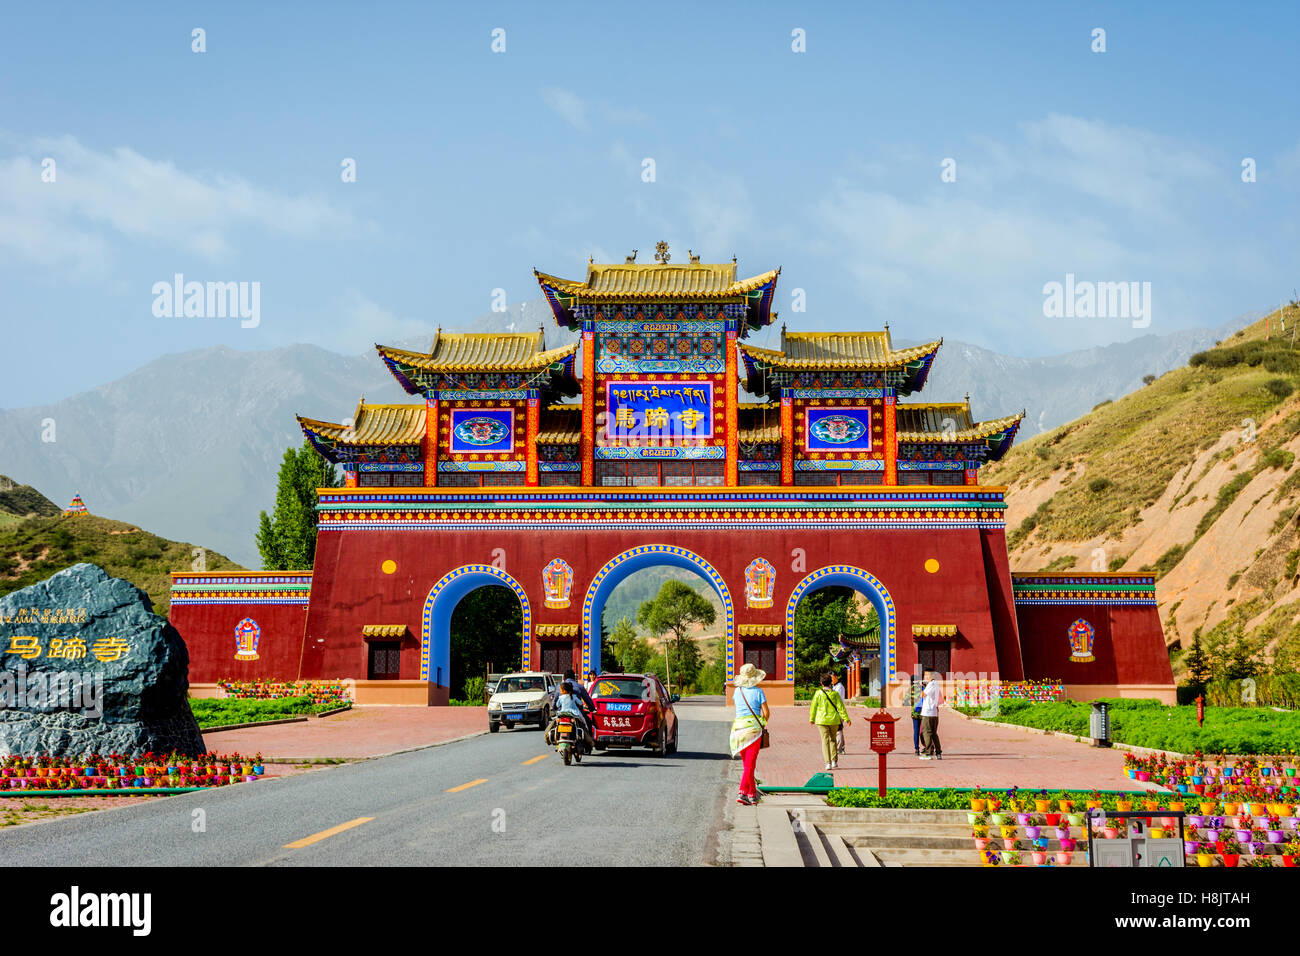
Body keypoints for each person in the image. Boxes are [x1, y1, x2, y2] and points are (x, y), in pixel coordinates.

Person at [729, 662, 769, 806]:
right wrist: (762, 723)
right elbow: (766, 713)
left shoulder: (737, 691)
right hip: (753, 731)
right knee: (750, 765)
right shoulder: (759, 692)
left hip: (738, 731)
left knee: (748, 764)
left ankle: (752, 794)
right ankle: (742, 792)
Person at [810, 673, 850, 770]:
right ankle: (834, 761)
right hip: (834, 720)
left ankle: (827, 763)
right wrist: (846, 719)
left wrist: (812, 718)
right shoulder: (835, 694)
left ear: (821, 683)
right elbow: (841, 708)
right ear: (831, 683)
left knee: (825, 741)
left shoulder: (818, 693)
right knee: (833, 740)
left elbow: (813, 707)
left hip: (822, 720)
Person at [919, 668, 943, 760]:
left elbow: (922, 695)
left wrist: (922, 686)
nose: (925, 677)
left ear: (932, 676)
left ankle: (928, 753)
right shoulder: (935, 684)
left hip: (928, 712)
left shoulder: (931, 684)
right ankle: (938, 753)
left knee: (927, 733)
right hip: (934, 712)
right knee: (933, 733)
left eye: (927, 675)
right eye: (925, 675)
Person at [831, 671, 849, 755]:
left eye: (832, 678)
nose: (831, 679)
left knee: (838, 730)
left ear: (836, 677)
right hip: (834, 711)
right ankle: (841, 747)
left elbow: (837, 700)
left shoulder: (839, 687)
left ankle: (839, 749)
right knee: (838, 730)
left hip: (838, 711)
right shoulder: (834, 686)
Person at [907, 678, 924, 756]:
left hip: (914, 713)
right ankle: (929, 747)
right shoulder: (923, 688)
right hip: (923, 713)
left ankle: (916, 749)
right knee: (925, 731)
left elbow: (906, 700)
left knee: (916, 731)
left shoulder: (910, 689)